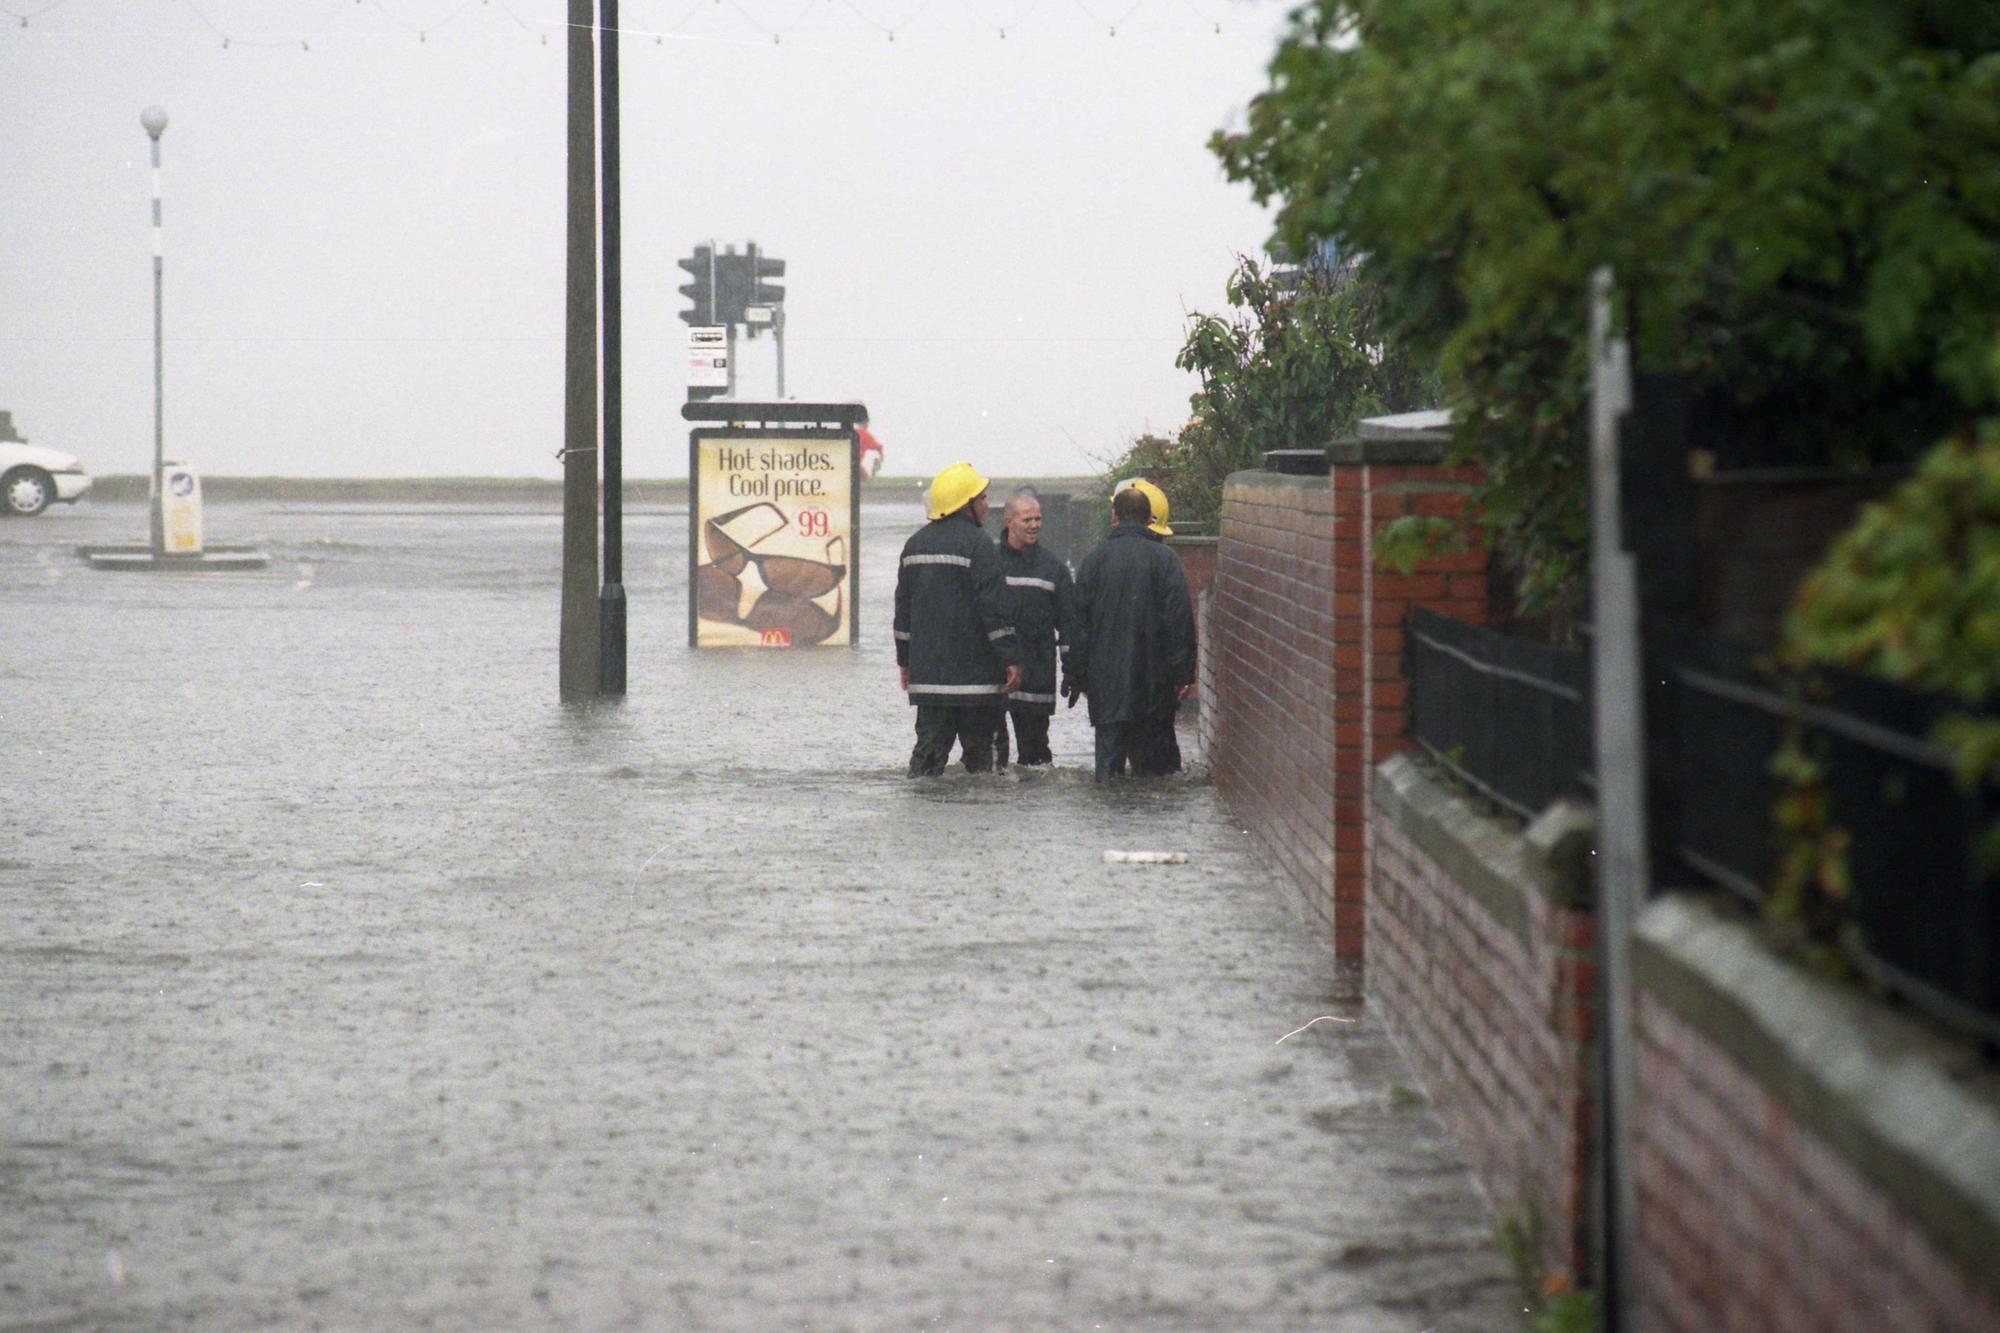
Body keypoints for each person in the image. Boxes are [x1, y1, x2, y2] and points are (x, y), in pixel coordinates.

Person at [894, 463, 1022, 776]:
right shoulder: (980, 546)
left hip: (930, 682)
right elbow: (995, 610)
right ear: (964, 505)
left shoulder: (913, 546)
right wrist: (1011, 659)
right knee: (987, 771)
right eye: (981, 498)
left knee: (925, 767)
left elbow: (903, 615)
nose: (986, 504)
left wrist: (905, 661)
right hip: (977, 686)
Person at [1070, 485, 1196, 782]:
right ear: (1149, 518)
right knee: (1158, 778)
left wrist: (1079, 677)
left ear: (1114, 515)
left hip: (1107, 691)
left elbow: (1078, 627)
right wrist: (1182, 675)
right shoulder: (1165, 560)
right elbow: (1179, 622)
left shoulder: (1093, 562)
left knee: (1108, 781)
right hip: (1155, 691)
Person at [990, 488, 1079, 769]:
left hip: (1037, 675)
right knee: (992, 759)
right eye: (1027, 519)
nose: (1034, 525)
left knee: (1036, 758)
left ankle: (1035, 811)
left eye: (1038, 519)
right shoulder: (989, 564)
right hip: (994, 675)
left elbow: (1069, 625)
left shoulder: (1054, 569)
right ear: (1008, 520)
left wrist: (1072, 670)